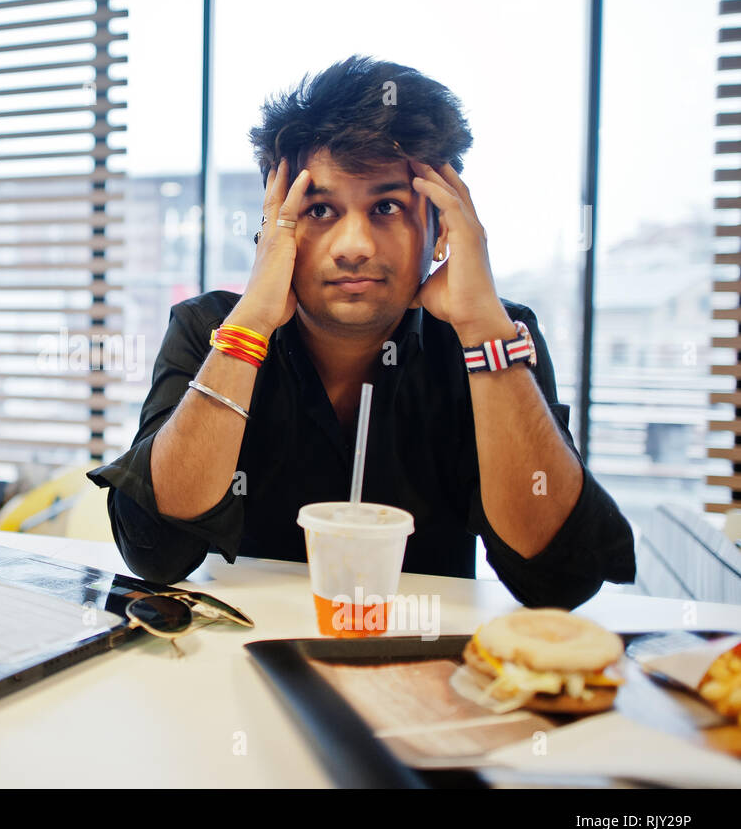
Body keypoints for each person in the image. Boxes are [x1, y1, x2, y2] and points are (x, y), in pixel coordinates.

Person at [86, 55, 635, 608]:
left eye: (387, 206)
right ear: (275, 225)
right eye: (320, 209)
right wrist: (250, 324)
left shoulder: (494, 338)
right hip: (244, 663)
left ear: (441, 226)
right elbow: (154, 550)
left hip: (424, 670)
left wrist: (482, 329)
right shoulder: (211, 328)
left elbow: (560, 579)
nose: (354, 246)